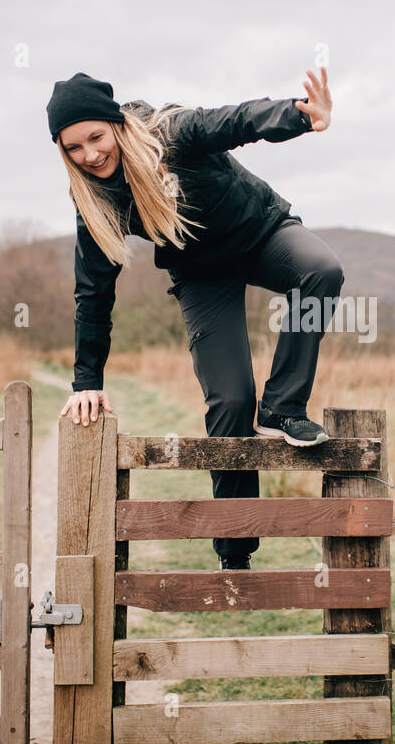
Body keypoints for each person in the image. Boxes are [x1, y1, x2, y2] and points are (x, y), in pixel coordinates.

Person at [48, 68, 343, 570]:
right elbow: (93, 291)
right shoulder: (93, 198)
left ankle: (283, 406)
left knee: (320, 271)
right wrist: (86, 380)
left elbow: (234, 121)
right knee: (229, 401)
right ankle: (235, 550)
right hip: (200, 273)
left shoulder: (170, 132)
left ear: (116, 124)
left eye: (95, 137)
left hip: (261, 232)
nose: (90, 155)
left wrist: (298, 114)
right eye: (73, 148)